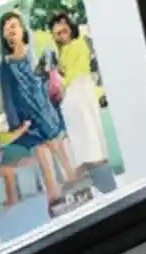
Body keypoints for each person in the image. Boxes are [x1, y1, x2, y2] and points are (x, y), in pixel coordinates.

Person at [0, 12, 76, 215]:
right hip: (28, 119)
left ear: (22, 29)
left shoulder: (37, 52)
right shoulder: (5, 66)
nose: (11, 30)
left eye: (14, 25)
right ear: (5, 36)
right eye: (6, 28)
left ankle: (78, 191)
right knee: (45, 163)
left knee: (62, 155)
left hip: (46, 110)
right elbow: (8, 98)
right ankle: (55, 205)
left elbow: (52, 79)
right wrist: (17, 126)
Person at [50, 12, 108, 173]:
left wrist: (63, 85)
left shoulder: (78, 44)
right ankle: (88, 159)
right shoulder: (63, 50)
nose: (61, 36)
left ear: (70, 28)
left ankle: (95, 159)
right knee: (80, 125)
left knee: (87, 123)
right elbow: (65, 71)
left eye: (64, 31)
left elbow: (75, 71)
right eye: (57, 34)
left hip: (81, 87)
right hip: (74, 90)